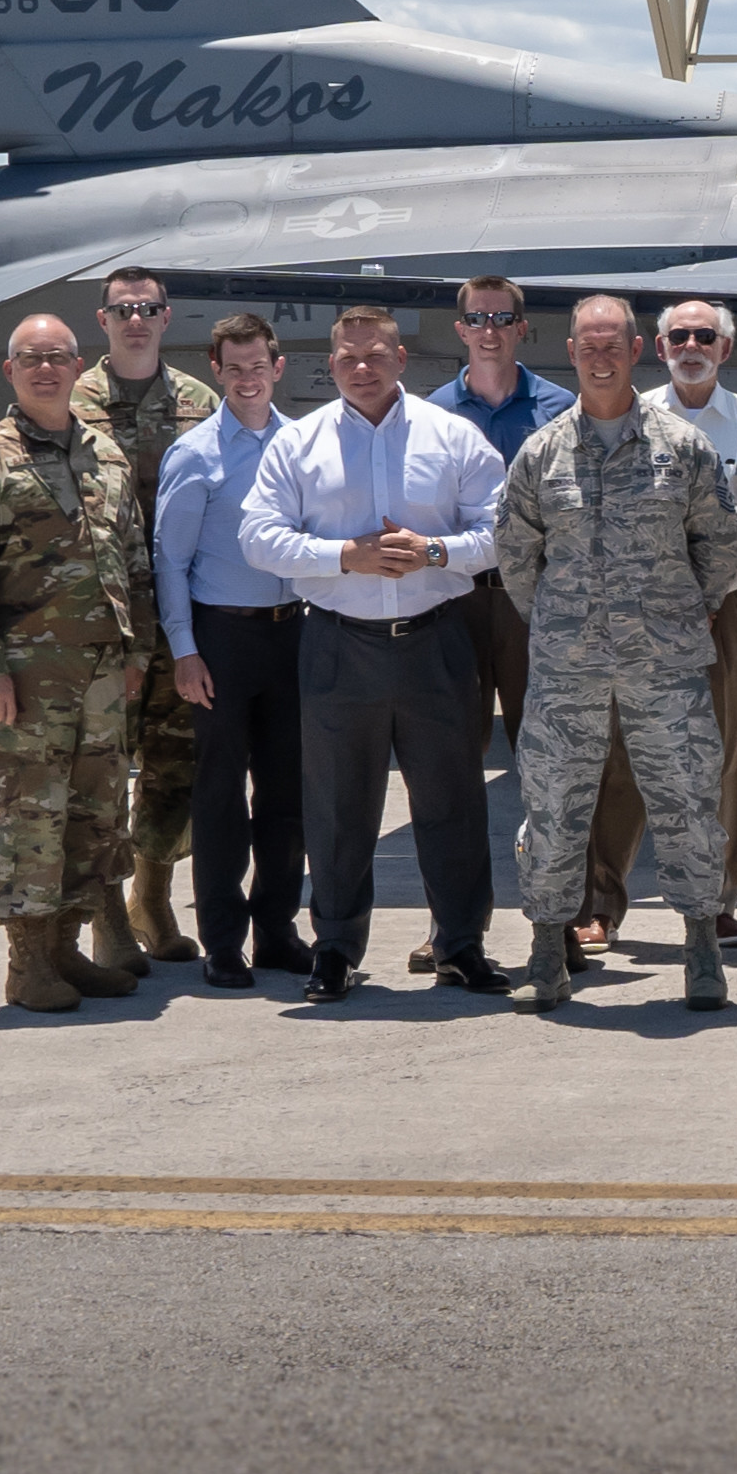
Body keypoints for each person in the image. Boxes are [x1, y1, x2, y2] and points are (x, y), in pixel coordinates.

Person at [236, 306, 512, 1005]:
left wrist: (436, 550)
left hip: (436, 637)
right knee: (336, 806)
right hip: (336, 643)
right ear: (329, 366)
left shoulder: (451, 436)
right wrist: (344, 557)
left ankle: (459, 943)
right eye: (348, 358)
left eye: (376, 354)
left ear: (400, 358)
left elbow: (504, 528)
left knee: (452, 800)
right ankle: (333, 948)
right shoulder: (298, 444)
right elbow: (258, 538)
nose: (362, 368)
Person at [497, 295, 737, 1015]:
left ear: (635, 349)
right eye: (586, 345)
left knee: (689, 802)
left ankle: (702, 946)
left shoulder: (682, 445)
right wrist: (560, 622)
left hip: (663, 665)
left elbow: (718, 543)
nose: (599, 356)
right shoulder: (542, 452)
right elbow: (517, 555)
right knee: (552, 808)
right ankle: (548, 951)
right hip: (567, 666)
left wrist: (676, 613)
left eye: (612, 344)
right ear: (570, 352)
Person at [0, 315, 147, 1013]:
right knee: (33, 814)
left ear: (77, 364)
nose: (45, 369)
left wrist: (136, 652)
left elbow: (133, 563)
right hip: (24, 679)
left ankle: (64, 949)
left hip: (102, 677)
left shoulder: (105, 455)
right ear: (10, 371)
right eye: (31, 358)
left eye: (57, 357)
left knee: (94, 812)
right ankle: (26, 965)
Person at [580, 297, 737, 955]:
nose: (692, 343)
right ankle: (601, 903)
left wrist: (711, 584)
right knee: (624, 754)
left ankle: (714, 903)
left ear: (724, 347)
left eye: (705, 335)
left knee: (726, 757)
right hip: (637, 609)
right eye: (679, 334)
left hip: (725, 607)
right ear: (658, 347)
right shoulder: (626, 416)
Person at [418, 276, 573, 970]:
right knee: (448, 767)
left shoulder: (557, 409)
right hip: (454, 599)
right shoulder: (429, 415)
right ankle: (452, 926)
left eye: (501, 318)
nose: (488, 329)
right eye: (476, 318)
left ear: (520, 327)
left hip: (532, 601)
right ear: (460, 329)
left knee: (550, 761)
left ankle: (559, 919)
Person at [154, 312, 309, 989]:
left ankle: (276, 928)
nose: (248, 378)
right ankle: (223, 938)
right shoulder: (195, 453)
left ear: (277, 369)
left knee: (287, 792)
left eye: (258, 365)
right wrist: (184, 650)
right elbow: (169, 560)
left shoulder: (301, 444)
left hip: (290, 633)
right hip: (222, 635)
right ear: (216, 371)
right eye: (234, 367)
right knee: (220, 795)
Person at [70, 266, 217, 972]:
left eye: (148, 308)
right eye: (123, 308)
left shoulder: (198, 401)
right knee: (100, 765)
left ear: (167, 317)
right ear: (102, 319)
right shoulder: (69, 403)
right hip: (99, 617)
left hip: (178, 614)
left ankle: (152, 896)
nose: (136, 319)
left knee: (174, 760)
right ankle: (106, 912)